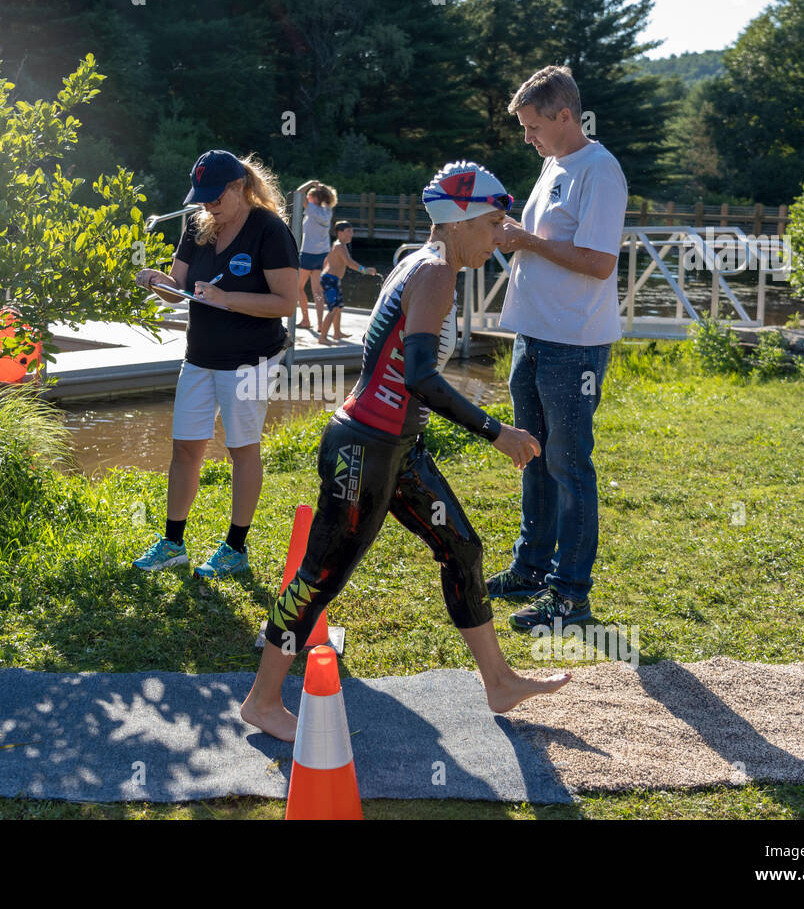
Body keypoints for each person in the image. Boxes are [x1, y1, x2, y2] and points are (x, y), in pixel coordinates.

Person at [240, 161, 571, 742]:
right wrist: (499, 432)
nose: (501, 237)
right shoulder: (436, 272)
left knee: (462, 547)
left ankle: (499, 681)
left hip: (399, 449)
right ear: (462, 221)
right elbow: (418, 375)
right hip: (364, 453)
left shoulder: (421, 263)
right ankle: (263, 701)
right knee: (318, 576)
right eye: (495, 224)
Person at [486, 66, 628, 632]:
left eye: (533, 126)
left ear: (565, 116)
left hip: (575, 344)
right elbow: (549, 243)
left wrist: (525, 240)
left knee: (569, 467)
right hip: (534, 335)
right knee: (533, 456)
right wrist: (511, 228)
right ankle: (530, 567)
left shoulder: (601, 170)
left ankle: (570, 597)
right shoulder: (553, 164)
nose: (528, 137)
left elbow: (598, 263)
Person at [132, 150, 300, 578]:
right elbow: (180, 289)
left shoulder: (270, 229)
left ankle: (235, 548)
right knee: (185, 447)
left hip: (250, 360)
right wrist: (157, 282)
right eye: (202, 196)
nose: (208, 204)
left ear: (239, 186)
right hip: (200, 355)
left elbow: (285, 302)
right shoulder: (196, 225)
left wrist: (227, 299)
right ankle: (173, 543)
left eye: (215, 196)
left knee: (241, 450)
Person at [316, 220, 377, 344]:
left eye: (352, 231)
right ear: (340, 233)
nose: (351, 234)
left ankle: (337, 333)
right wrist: (365, 270)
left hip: (332, 279)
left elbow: (327, 260)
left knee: (338, 307)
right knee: (333, 309)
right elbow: (349, 263)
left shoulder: (338, 245)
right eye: (349, 231)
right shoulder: (339, 246)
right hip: (330, 280)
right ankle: (322, 338)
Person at [293, 180, 336, 332]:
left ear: (316, 199)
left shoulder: (312, 210)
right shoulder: (327, 211)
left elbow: (298, 193)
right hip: (323, 254)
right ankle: (319, 324)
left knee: (298, 287)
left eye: (311, 196)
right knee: (317, 291)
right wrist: (321, 188)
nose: (308, 198)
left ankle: (306, 320)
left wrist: (311, 183)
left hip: (309, 254)